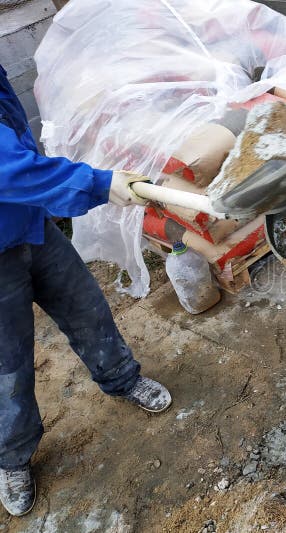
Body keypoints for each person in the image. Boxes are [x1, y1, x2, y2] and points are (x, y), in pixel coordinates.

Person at [0, 63, 172, 517]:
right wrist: (100, 183)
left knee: (87, 310)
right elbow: (6, 168)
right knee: (7, 362)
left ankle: (122, 379)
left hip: (31, 224)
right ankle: (12, 457)